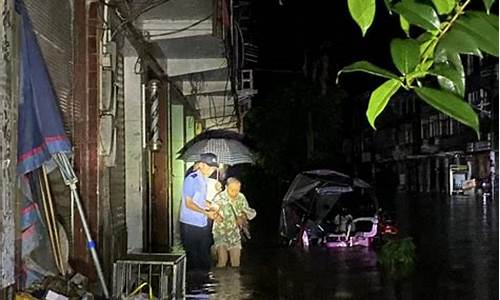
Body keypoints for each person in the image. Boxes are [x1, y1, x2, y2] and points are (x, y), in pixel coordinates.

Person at [180, 153, 219, 271]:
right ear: (201, 165)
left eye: (214, 167)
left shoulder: (204, 181)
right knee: (194, 258)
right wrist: (206, 213)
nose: (212, 170)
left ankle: (203, 285)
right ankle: (194, 286)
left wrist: (211, 206)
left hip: (202, 223)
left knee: (204, 257)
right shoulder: (191, 179)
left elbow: (200, 200)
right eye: (209, 166)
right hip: (190, 224)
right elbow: (189, 203)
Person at [212, 177, 256, 268]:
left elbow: (249, 212)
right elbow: (211, 210)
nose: (235, 193)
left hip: (235, 233)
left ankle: (234, 281)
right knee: (222, 260)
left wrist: (242, 218)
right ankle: (220, 280)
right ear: (226, 187)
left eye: (237, 190)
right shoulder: (219, 197)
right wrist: (216, 215)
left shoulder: (241, 197)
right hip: (220, 232)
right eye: (232, 190)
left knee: (236, 262)